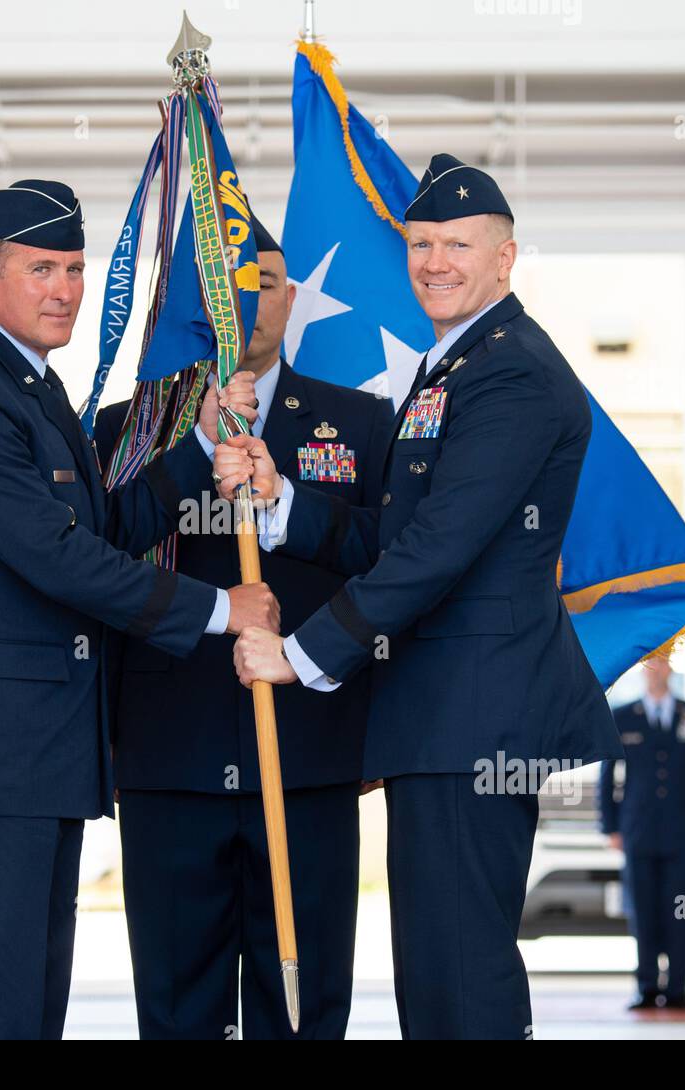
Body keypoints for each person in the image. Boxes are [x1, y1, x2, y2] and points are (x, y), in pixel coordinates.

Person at [212, 154, 623, 1039]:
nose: (435, 261)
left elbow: (440, 550)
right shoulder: (454, 365)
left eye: (459, 245)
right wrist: (280, 502)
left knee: (461, 983)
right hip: (439, 720)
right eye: (422, 243)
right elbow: (399, 536)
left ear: (505, 259)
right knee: (435, 982)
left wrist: (301, 652)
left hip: (473, 723)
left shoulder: (511, 371)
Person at [0, 179, 278, 1039]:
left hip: (37, 753)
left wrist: (202, 442)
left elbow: (105, 524)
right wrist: (223, 609)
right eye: (40, 268)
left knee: (28, 1003)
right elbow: (60, 558)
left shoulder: (30, 386)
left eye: (74, 267)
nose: (64, 288)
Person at [94, 215, 390, 1039]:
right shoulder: (131, 429)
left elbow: (390, 567)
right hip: (168, 760)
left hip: (308, 761)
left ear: (289, 296)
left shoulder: (358, 424)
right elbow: (95, 560)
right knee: (176, 1004)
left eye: (259, 281)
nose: (243, 300)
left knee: (303, 1001)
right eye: (222, 283)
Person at [600, 655, 685, 1011]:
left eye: (663, 663)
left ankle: (678, 988)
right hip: (638, 830)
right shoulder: (622, 716)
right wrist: (611, 826)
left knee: (679, 909)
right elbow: (609, 777)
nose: (657, 669)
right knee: (644, 909)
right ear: (642, 670)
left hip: (682, 832)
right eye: (651, 664)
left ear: (671, 668)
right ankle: (647, 987)